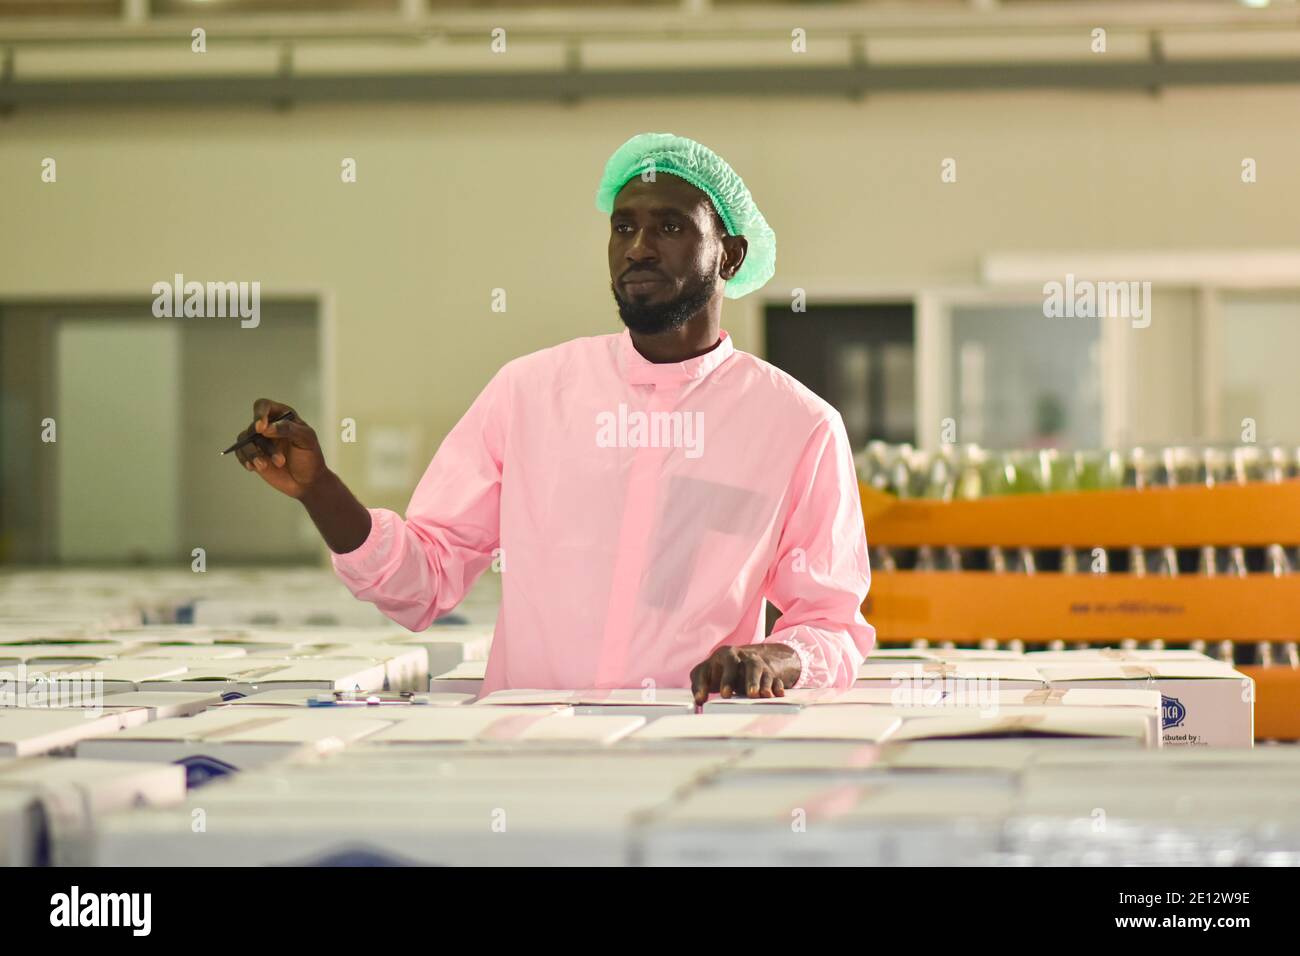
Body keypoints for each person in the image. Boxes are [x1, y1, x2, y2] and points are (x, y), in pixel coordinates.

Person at [230, 132, 874, 703]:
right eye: (623, 227)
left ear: (729, 255)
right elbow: (424, 580)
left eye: (671, 227)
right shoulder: (530, 393)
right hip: (527, 754)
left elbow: (833, 623)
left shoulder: (797, 427)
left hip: (690, 747)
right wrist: (320, 490)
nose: (639, 248)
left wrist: (774, 657)